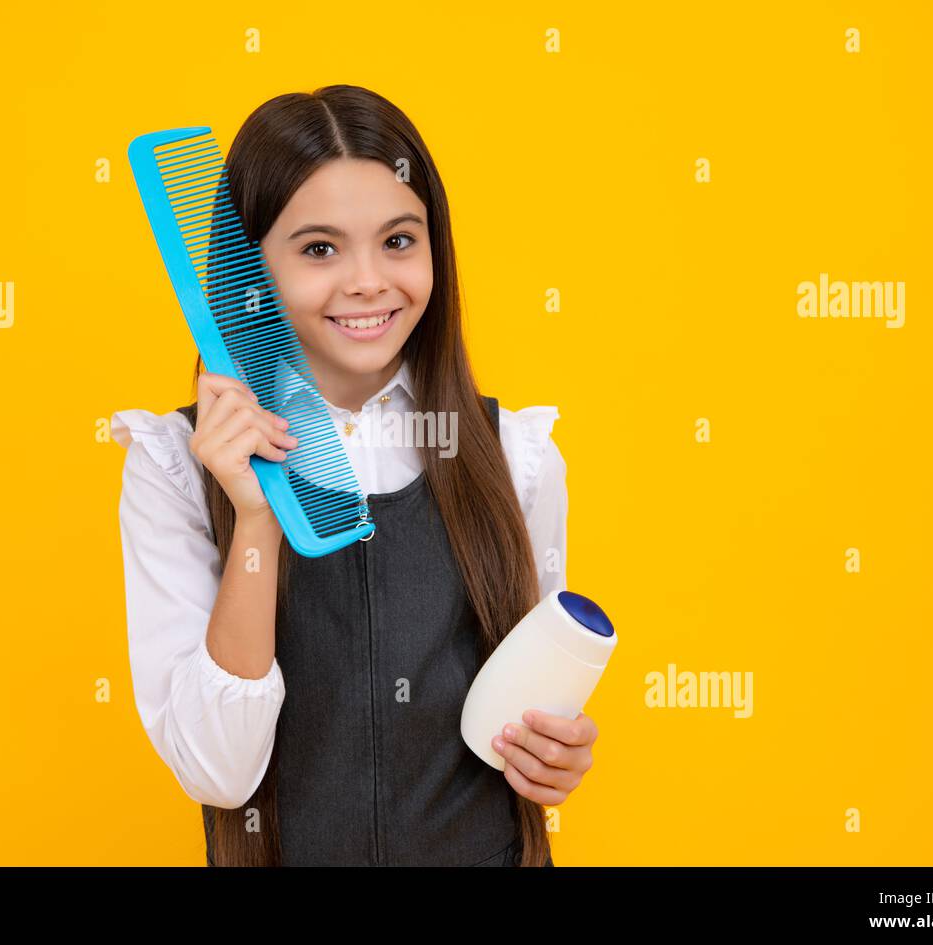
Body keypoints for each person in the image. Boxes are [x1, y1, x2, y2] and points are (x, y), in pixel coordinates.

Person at [113, 84, 598, 866]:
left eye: (399, 241)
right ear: (244, 272)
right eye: (319, 248)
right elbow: (220, 772)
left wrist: (552, 752)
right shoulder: (171, 465)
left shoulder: (515, 454)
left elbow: (524, 709)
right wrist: (257, 520)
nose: (369, 281)